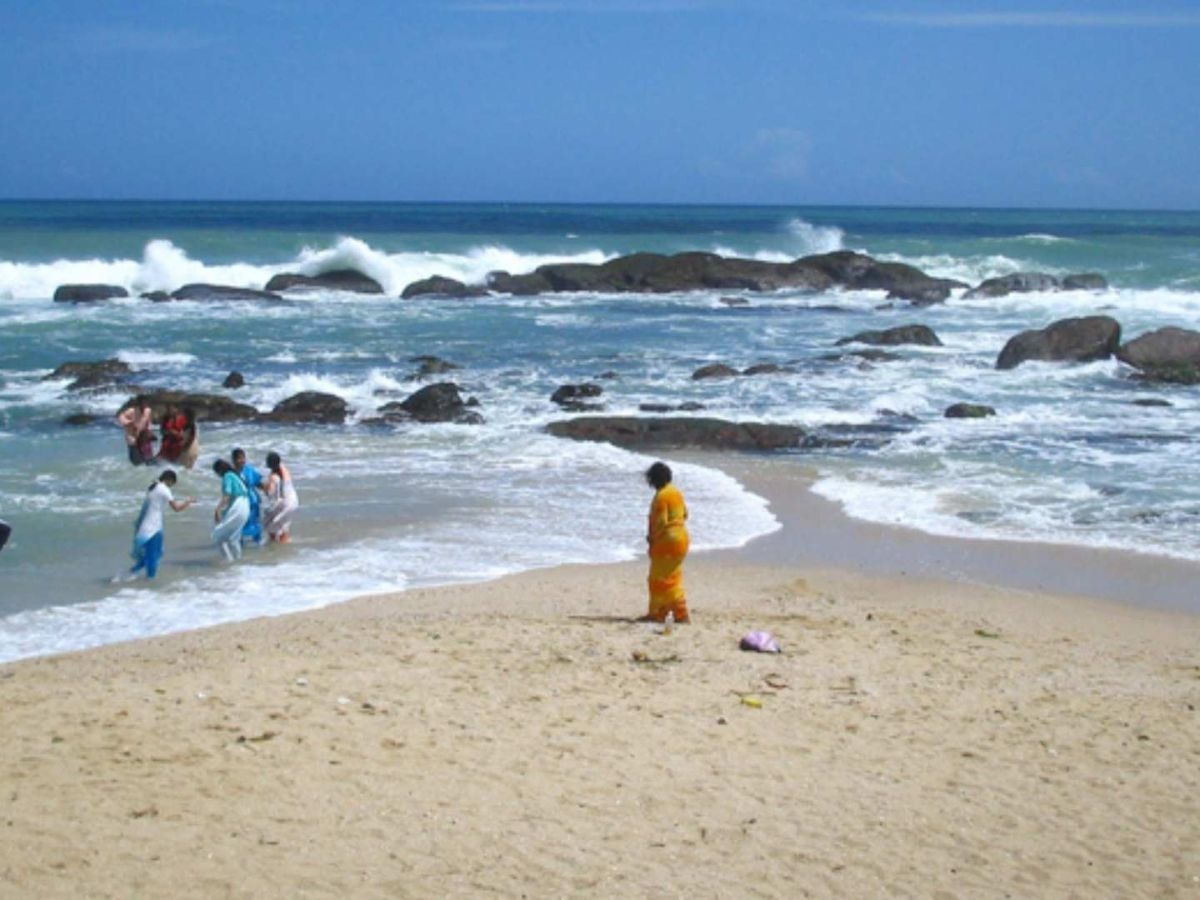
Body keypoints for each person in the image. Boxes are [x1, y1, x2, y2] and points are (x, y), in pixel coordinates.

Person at [644, 461, 690, 623]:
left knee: (658, 578)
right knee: (673, 576)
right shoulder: (676, 493)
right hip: (682, 538)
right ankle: (674, 612)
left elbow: (660, 522)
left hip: (667, 541)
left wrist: (651, 541)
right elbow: (685, 514)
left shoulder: (661, 497)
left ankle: (662, 613)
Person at [127, 470, 193, 580]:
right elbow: (176, 508)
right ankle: (149, 581)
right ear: (170, 480)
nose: (172, 486)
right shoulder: (164, 489)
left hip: (145, 528)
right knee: (154, 556)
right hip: (154, 529)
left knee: (150, 556)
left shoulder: (153, 488)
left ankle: (130, 573)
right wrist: (188, 502)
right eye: (172, 483)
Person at [212, 459, 251, 561]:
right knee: (234, 538)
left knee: (219, 537)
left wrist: (218, 509)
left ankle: (229, 561)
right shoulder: (236, 476)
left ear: (220, 470)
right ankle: (238, 562)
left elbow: (227, 496)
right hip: (245, 506)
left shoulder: (227, 476)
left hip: (238, 506)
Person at [261, 451, 299, 543]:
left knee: (269, 524)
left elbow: (270, 493)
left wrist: (263, 488)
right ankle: (283, 546)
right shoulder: (284, 469)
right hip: (294, 501)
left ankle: (274, 544)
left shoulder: (273, 477)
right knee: (283, 526)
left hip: (286, 503)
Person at [231, 448, 263, 545]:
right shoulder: (231, 473)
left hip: (253, 501)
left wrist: (268, 490)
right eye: (239, 458)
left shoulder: (249, 469)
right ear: (233, 460)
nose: (242, 460)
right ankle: (240, 548)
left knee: (255, 523)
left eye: (243, 458)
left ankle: (258, 545)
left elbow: (258, 483)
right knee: (239, 525)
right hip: (240, 503)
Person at [116, 396, 156, 465]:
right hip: (133, 436)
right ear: (139, 403)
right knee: (136, 460)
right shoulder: (132, 411)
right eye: (143, 403)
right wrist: (129, 423)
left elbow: (149, 422)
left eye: (145, 403)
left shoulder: (148, 411)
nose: (144, 405)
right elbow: (121, 417)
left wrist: (149, 430)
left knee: (148, 458)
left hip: (144, 437)